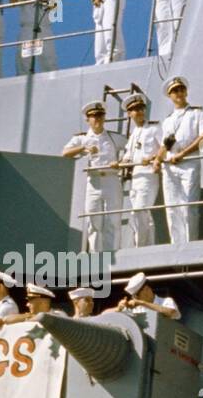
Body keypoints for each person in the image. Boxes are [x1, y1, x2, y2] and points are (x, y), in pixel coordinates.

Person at [157, 76, 203, 244]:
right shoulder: (167, 120)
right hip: (170, 167)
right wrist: (158, 159)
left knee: (188, 207)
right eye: (174, 91)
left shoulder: (197, 112)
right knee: (172, 208)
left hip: (189, 164)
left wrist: (183, 154)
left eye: (181, 89)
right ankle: (177, 247)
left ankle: (190, 246)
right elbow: (164, 145)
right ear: (169, 95)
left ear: (186, 91)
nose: (178, 93)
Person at [62, 101, 123, 252]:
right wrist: (83, 148)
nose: (97, 119)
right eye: (93, 116)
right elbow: (65, 153)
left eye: (100, 115)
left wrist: (121, 161)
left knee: (113, 221)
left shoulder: (113, 137)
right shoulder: (82, 139)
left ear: (104, 117)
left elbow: (131, 148)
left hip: (111, 180)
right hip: (93, 182)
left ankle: (112, 257)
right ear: (87, 119)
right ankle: (96, 257)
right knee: (93, 221)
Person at [119, 93, 163, 247]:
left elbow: (165, 147)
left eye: (141, 108)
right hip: (135, 177)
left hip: (148, 175)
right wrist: (120, 162)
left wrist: (152, 158)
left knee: (139, 211)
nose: (139, 112)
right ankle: (148, 248)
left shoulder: (154, 128)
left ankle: (140, 248)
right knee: (144, 214)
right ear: (129, 114)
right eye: (135, 110)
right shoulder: (134, 134)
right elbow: (129, 154)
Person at [10, 0, 58, 76]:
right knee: (24, 63)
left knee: (50, 63)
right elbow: (12, 1)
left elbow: (56, 15)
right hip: (28, 30)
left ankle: (52, 85)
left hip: (45, 31)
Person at [115, 271, 180, 320]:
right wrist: (119, 308)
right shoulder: (136, 309)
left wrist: (142, 303)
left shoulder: (165, 301)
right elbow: (106, 314)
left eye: (136, 295)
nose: (135, 298)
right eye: (134, 296)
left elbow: (172, 312)